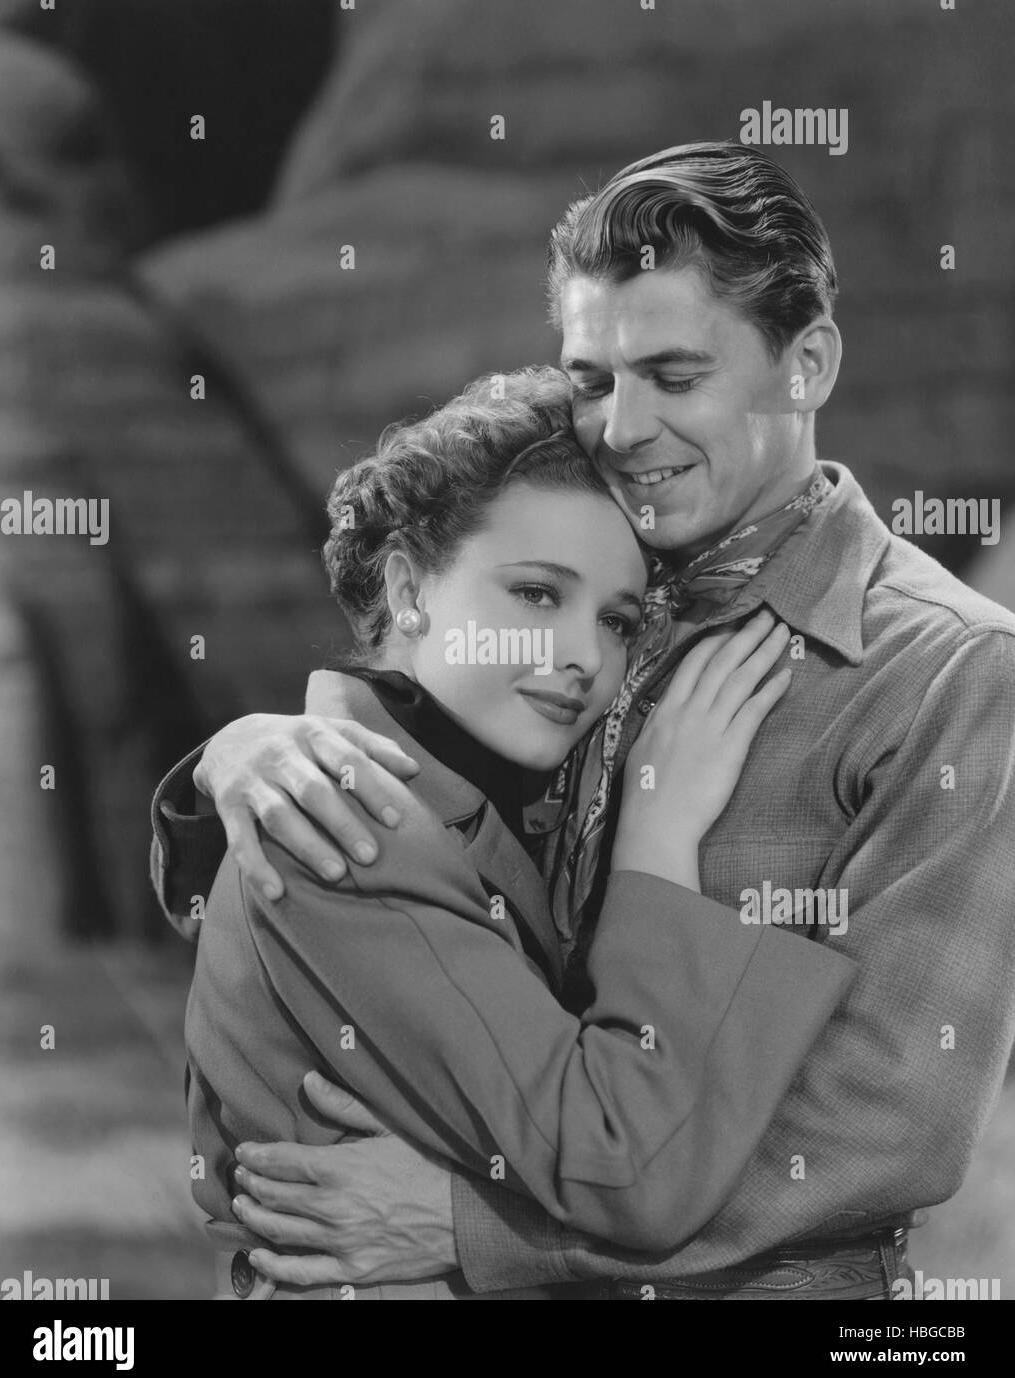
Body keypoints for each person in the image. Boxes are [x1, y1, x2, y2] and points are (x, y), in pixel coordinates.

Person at [152, 142, 1015, 1301]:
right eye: (594, 377)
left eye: (673, 374)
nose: (621, 427)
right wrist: (235, 759)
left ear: (805, 367)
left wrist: (481, 1233)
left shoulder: (950, 671)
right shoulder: (600, 595)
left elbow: (881, 1126)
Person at [175, 365, 853, 1300]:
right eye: (536, 594)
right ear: (410, 588)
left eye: (618, 620)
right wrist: (660, 839)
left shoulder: (469, 794)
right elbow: (617, 1160)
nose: (583, 655)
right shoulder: (347, 821)